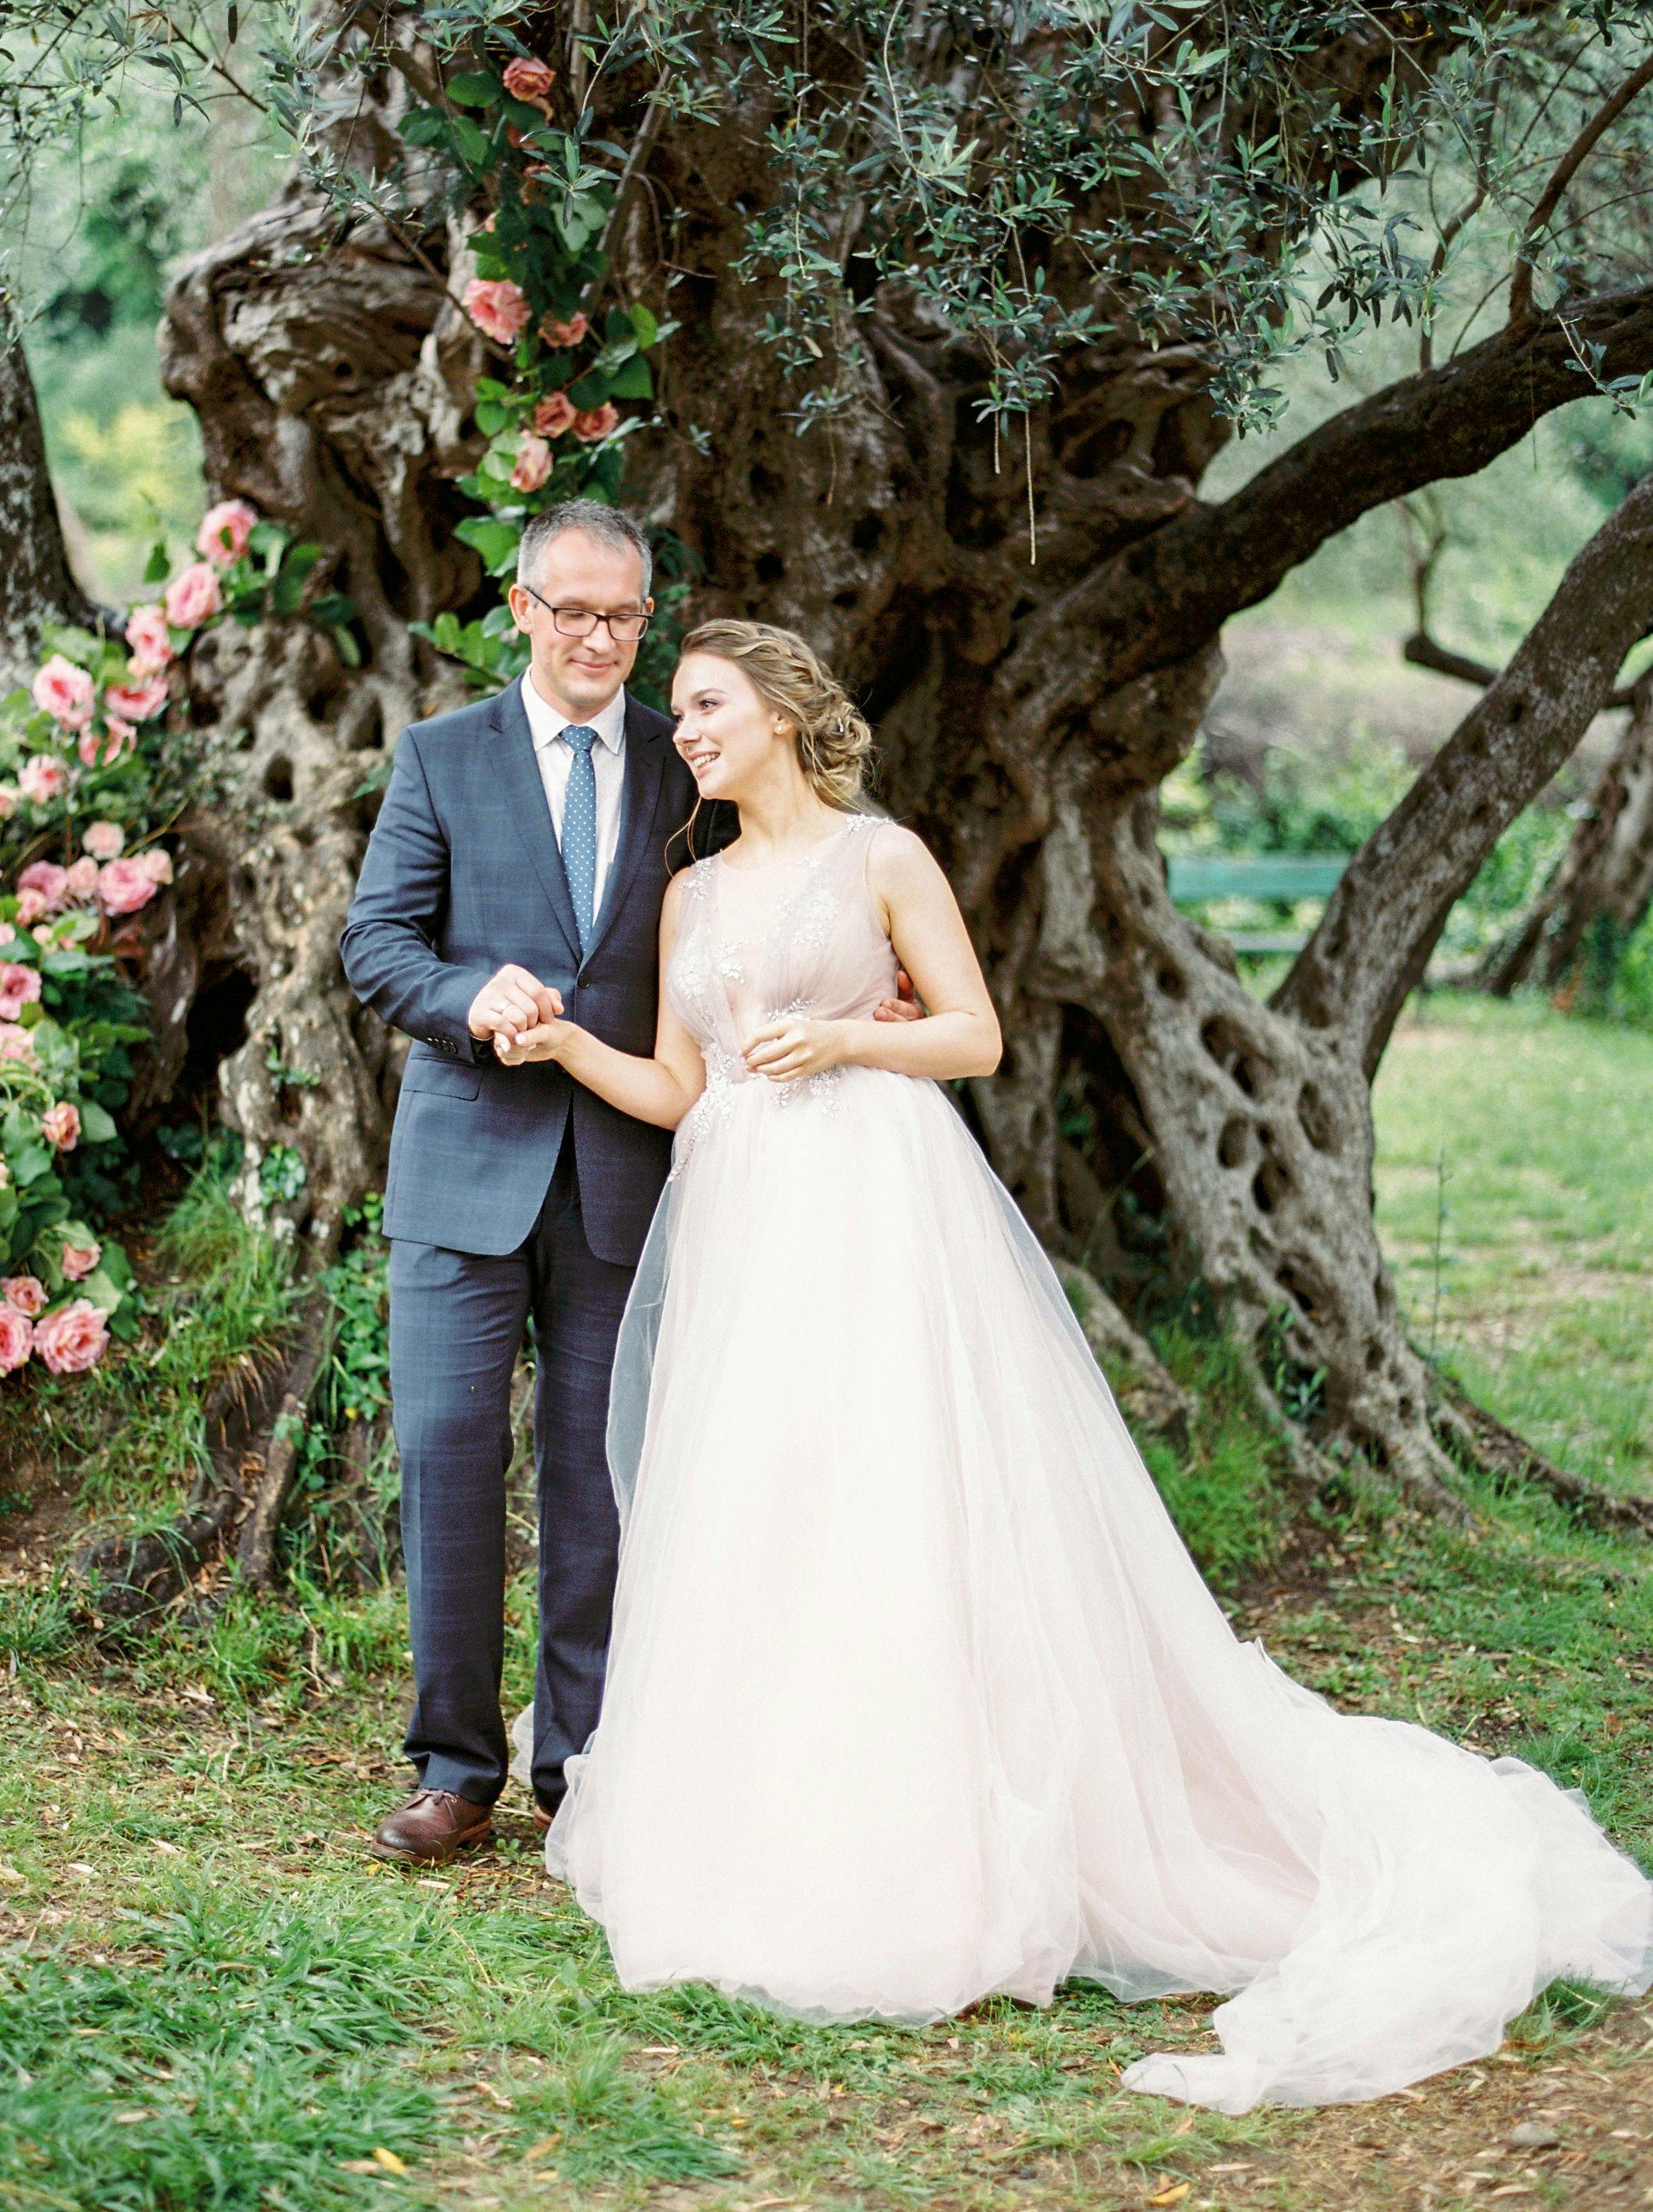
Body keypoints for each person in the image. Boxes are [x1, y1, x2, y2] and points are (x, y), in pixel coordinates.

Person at [490, 615, 1653, 2111]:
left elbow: (971, 1036)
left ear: (781, 710)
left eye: (704, 703)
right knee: (764, 1509)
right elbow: (672, 1083)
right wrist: (559, 1050)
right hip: (739, 1231)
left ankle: (953, 1842)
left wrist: (849, 1043)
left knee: (892, 1496)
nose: (685, 731)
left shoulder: (882, 857)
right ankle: (774, 1823)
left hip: (870, 1200)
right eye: (680, 713)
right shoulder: (687, 890)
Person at [339, 507, 910, 1862]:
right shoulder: (438, 758)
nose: (600, 638)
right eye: (574, 612)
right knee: (448, 1468)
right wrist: (467, 994)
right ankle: (454, 1767)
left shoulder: (686, 763)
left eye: (625, 617)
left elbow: (780, 889)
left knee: (605, 1484)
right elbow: (374, 944)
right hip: (462, 1172)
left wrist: (856, 1000)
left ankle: (584, 1765)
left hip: (629, 1181)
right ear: (522, 611)